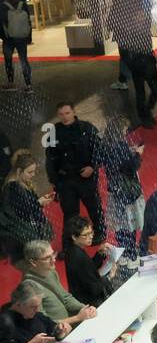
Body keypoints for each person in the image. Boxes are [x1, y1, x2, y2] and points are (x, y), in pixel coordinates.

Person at [46, 102, 105, 243]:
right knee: (70, 214)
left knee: (94, 208)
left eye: (67, 113)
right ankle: (69, 242)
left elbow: (99, 149)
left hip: (86, 178)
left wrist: (92, 167)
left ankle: (100, 233)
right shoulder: (54, 132)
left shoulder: (87, 128)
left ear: (73, 112)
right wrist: (55, 182)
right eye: (61, 114)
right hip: (65, 180)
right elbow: (50, 158)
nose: (64, 117)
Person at [100, 118, 145, 264]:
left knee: (120, 224)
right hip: (127, 190)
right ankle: (132, 255)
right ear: (120, 130)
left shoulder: (106, 145)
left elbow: (116, 165)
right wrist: (138, 154)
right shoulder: (119, 145)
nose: (127, 131)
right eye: (125, 129)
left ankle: (124, 253)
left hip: (115, 191)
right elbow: (130, 167)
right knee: (129, 223)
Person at [0, 151, 54, 263]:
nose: (33, 175)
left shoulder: (20, 183)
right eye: (30, 172)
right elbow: (21, 211)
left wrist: (40, 201)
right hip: (25, 235)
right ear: (19, 171)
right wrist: (39, 203)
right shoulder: (13, 187)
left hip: (30, 233)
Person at [63, 215, 114, 307]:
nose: (90, 237)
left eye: (91, 232)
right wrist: (109, 276)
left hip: (82, 299)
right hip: (90, 304)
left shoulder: (72, 250)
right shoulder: (78, 256)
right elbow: (95, 289)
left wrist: (99, 253)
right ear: (74, 237)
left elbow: (89, 268)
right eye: (86, 235)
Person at [1, 0, 33, 92]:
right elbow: (28, 21)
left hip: (8, 38)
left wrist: (3, 37)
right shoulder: (22, 4)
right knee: (24, 60)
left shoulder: (3, 6)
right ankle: (28, 85)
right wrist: (28, 37)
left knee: (8, 60)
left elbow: (1, 23)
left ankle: (11, 83)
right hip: (21, 38)